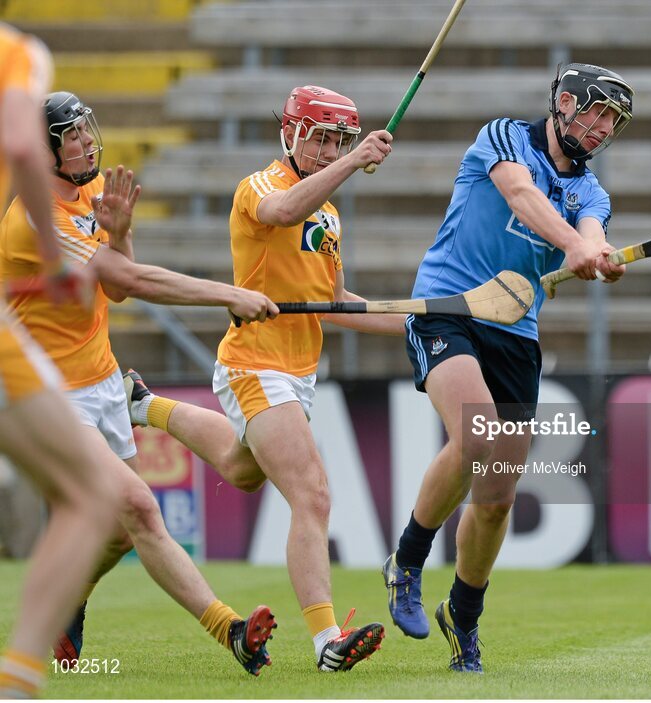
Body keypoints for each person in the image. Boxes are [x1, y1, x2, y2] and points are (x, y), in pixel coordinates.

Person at [0, 90, 281, 677]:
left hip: (101, 381)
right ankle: (230, 630)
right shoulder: (34, 214)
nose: (85, 142)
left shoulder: (89, 196)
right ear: (44, 153)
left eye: (86, 130)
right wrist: (227, 293)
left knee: (118, 531)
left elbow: (116, 287)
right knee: (137, 506)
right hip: (44, 393)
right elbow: (130, 278)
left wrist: (120, 230)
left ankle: (65, 609)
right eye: (70, 136)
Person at [130, 84, 400, 672]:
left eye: (341, 141)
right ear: (292, 133)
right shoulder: (261, 189)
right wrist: (356, 162)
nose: (330, 151)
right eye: (321, 138)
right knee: (313, 494)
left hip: (298, 371)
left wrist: (415, 326)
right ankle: (327, 640)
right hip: (255, 363)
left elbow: (332, 303)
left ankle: (145, 406)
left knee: (240, 469)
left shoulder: (328, 214)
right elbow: (283, 213)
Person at [382, 63, 633, 672]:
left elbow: (590, 227)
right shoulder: (504, 137)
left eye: (613, 122)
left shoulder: (591, 193)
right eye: (596, 112)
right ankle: (408, 560)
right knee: (476, 434)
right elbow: (520, 193)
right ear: (564, 103)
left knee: (496, 499)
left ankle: (463, 618)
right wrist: (575, 245)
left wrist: (596, 252)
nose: (602, 129)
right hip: (448, 308)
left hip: (515, 332)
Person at [0, 25, 118, 699]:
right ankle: (18, 682)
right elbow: (19, 142)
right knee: (91, 496)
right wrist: (53, 261)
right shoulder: (18, 55)